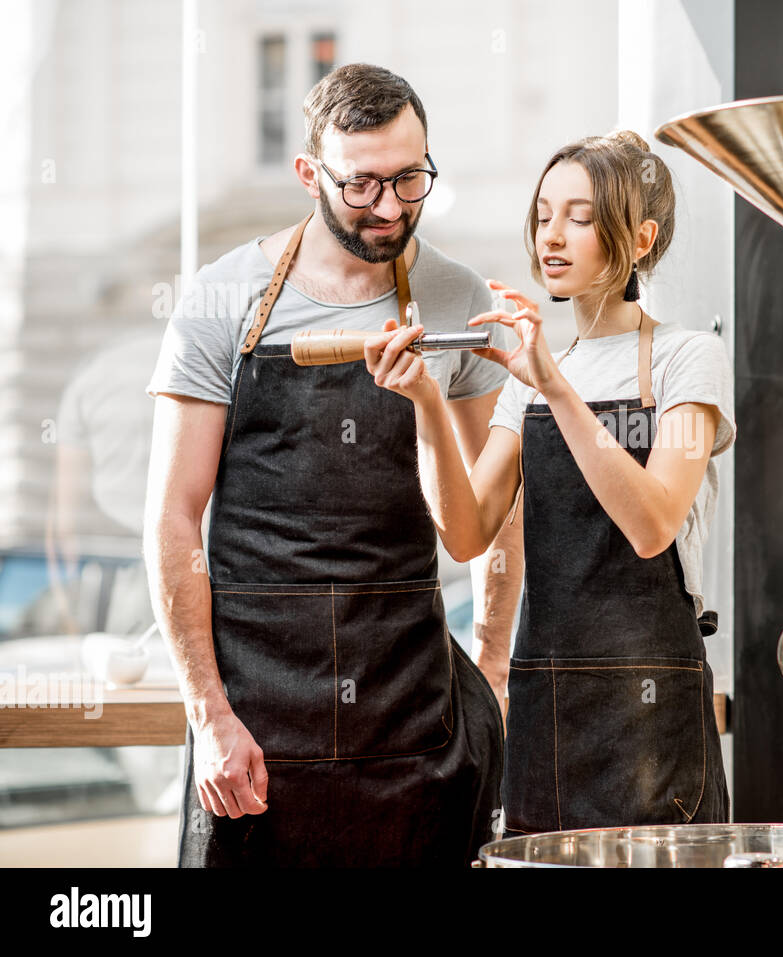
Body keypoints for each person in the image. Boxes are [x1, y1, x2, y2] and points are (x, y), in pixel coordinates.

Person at [143, 63, 522, 866]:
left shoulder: (454, 300)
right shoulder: (225, 300)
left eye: (410, 179)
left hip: (414, 722)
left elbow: (490, 514)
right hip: (256, 731)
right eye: (362, 186)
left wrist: (490, 664)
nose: (390, 208)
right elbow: (174, 517)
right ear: (309, 175)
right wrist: (210, 713)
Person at [364, 130, 733, 833]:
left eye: (581, 217)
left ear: (642, 237)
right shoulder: (528, 376)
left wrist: (555, 387)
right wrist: (428, 406)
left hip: (650, 713)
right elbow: (467, 531)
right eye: (542, 215)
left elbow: (653, 524)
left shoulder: (690, 360)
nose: (552, 237)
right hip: (546, 709)